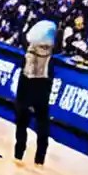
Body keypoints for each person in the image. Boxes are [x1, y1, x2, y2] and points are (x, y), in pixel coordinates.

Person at [15, 18, 58, 166]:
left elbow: (23, 37)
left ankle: (20, 154)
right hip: (39, 85)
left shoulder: (32, 48)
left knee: (25, 122)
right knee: (40, 124)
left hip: (31, 84)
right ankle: (38, 159)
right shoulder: (50, 51)